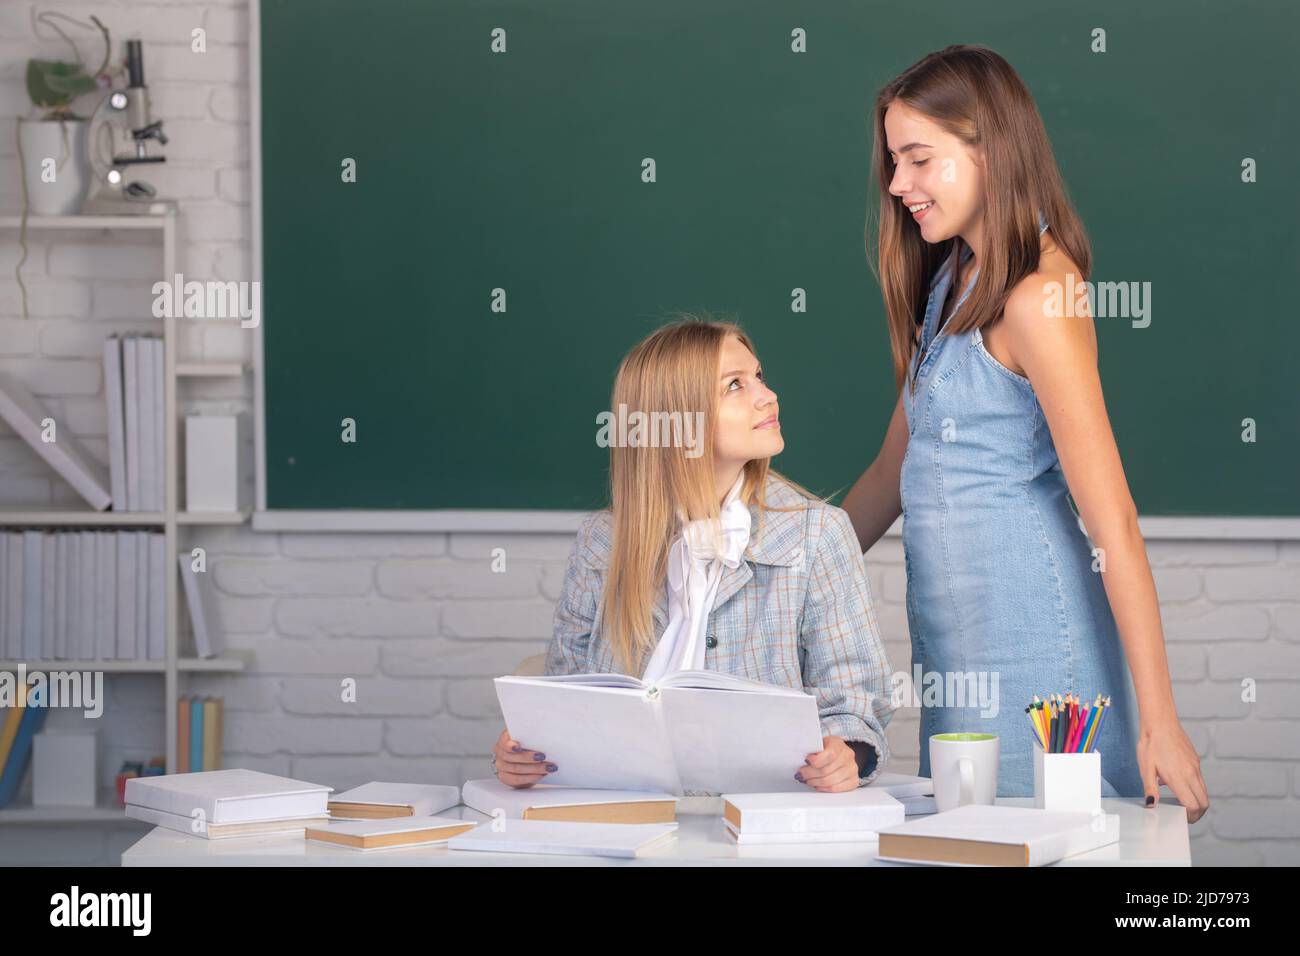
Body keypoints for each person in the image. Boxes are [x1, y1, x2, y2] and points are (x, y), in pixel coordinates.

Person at [841, 45, 1207, 820]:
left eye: (917, 159)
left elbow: (1114, 521)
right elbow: (889, 477)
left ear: (988, 149)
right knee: (966, 836)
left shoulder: (1042, 296)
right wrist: (791, 569)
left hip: (1036, 642)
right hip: (954, 643)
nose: (896, 183)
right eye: (892, 161)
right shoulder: (948, 280)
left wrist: (1163, 722)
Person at [493, 317, 895, 793]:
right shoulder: (601, 543)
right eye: (735, 386)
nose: (768, 396)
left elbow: (855, 706)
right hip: (626, 812)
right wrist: (524, 754)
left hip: (763, 820)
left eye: (759, 377)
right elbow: (560, 707)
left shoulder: (817, 534)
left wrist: (847, 754)